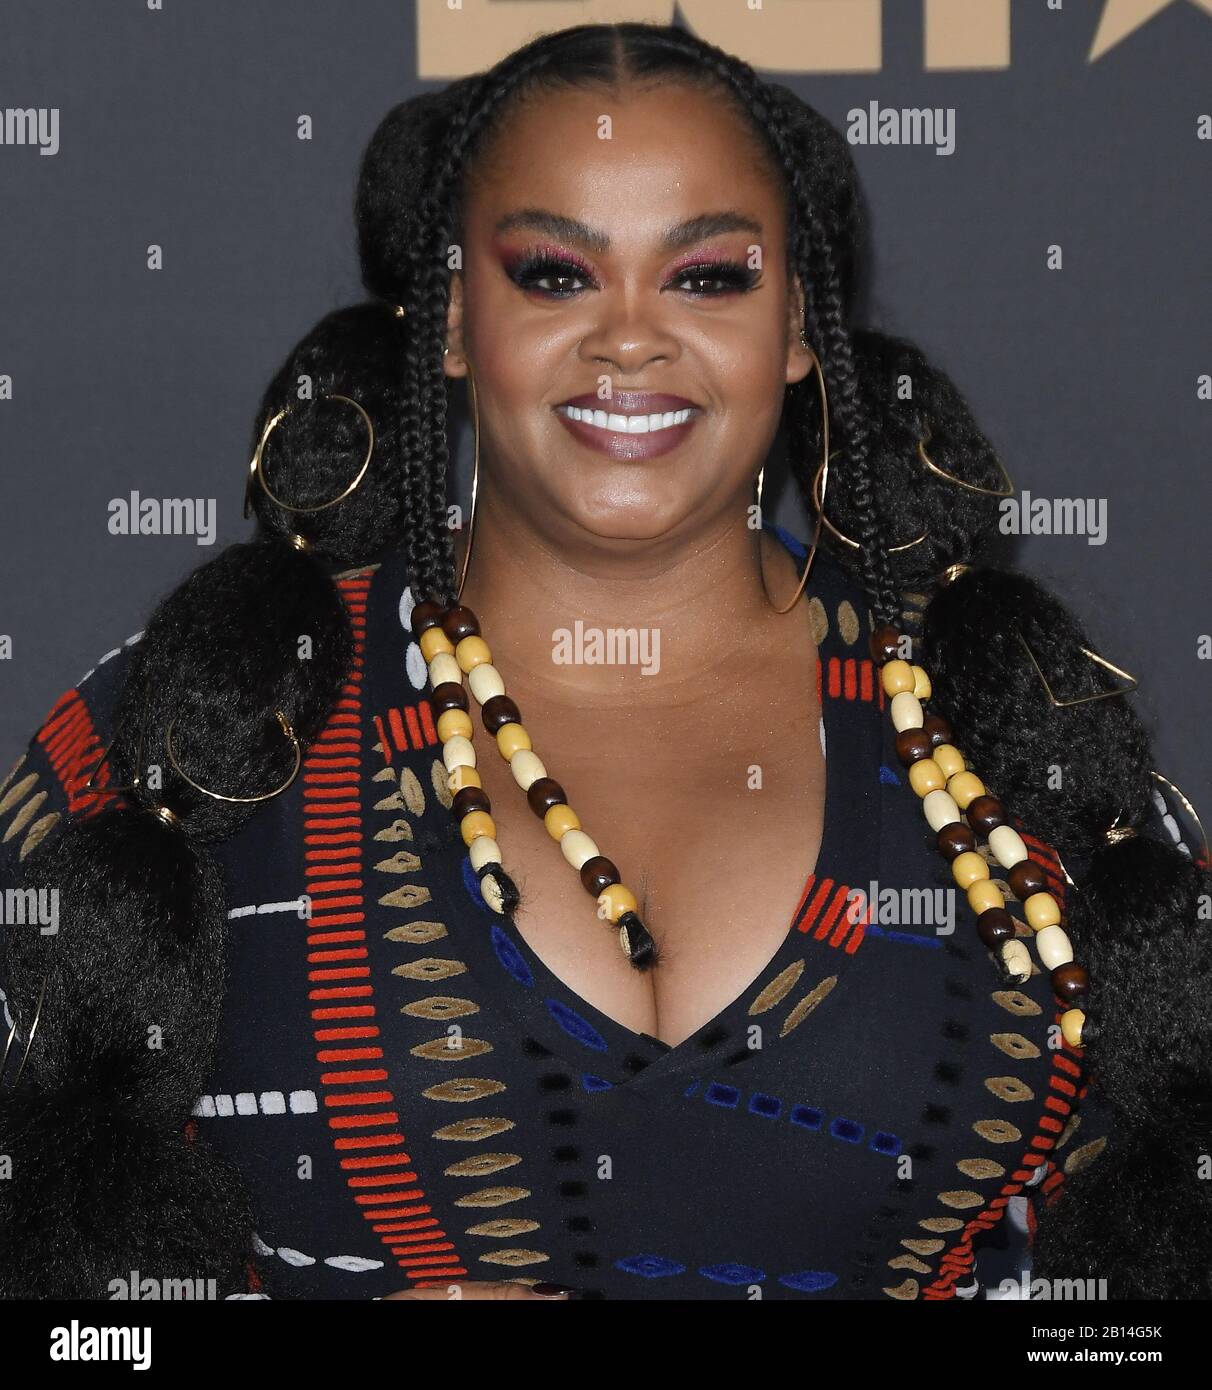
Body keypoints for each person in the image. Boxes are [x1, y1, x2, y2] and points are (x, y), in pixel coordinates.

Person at [1, 21, 1208, 1303]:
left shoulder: (1014, 736)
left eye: (709, 276)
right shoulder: (190, 733)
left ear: (800, 323)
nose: (629, 338)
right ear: (454, 318)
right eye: (554, 273)